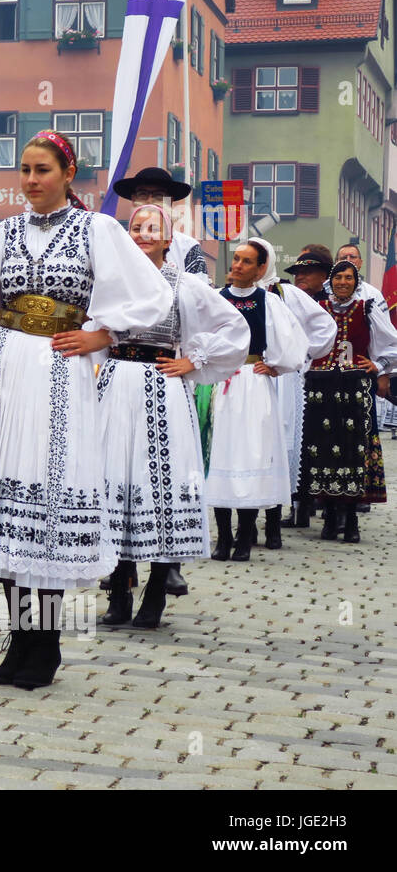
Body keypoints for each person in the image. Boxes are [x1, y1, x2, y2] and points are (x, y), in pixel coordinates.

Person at [0, 131, 173, 690]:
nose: (30, 180)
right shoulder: (4, 231)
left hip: (59, 369)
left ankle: (43, 646)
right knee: (6, 502)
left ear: (68, 172)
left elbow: (153, 296)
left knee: (47, 501)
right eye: (24, 169)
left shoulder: (97, 229)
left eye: (42, 169)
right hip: (7, 365)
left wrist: (103, 335)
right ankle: (19, 638)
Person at [98, 205, 247, 629]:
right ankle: (119, 589)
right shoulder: (113, 284)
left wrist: (193, 359)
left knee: (158, 480)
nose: (142, 234)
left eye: (152, 229)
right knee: (116, 479)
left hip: (160, 385)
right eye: (135, 227)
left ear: (169, 239)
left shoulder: (185, 285)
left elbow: (234, 327)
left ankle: (157, 589)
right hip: (113, 383)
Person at [206, 240, 309, 562]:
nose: (237, 266)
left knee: (251, 453)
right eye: (236, 259)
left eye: (247, 262)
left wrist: (277, 364)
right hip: (221, 381)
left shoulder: (268, 301)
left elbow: (293, 338)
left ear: (260, 269)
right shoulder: (215, 299)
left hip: (253, 384)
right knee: (221, 451)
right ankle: (222, 537)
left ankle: (243, 539)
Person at [302, 260, 397, 541]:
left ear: (357, 282)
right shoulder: (319, 309)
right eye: (338, 277)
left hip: (355, 385)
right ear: (331, 281)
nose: (343, 282)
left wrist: (378, 366)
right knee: (322, 448)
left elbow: (391, 342)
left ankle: (351, 518)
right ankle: (330, 516)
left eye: (349, 278)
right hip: (321, 387)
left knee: (352, 450)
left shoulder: (366, 308)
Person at [262, 246, 336, 538]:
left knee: (289, 442)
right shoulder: (237, 294)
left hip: (292, 377)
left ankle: (289, 508)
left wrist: (299, 354)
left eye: (308, 271)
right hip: (250, 375)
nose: (302, 277)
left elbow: (325, 329)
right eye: (299, 272)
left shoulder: (287, 295)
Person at [112, 167, 208, 279]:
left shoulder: (188, 247)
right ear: (133, 199)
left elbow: (199, 291)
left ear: (170, 200)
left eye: (158, 195)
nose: (150, 200)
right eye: (143, 194)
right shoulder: (116, 245)